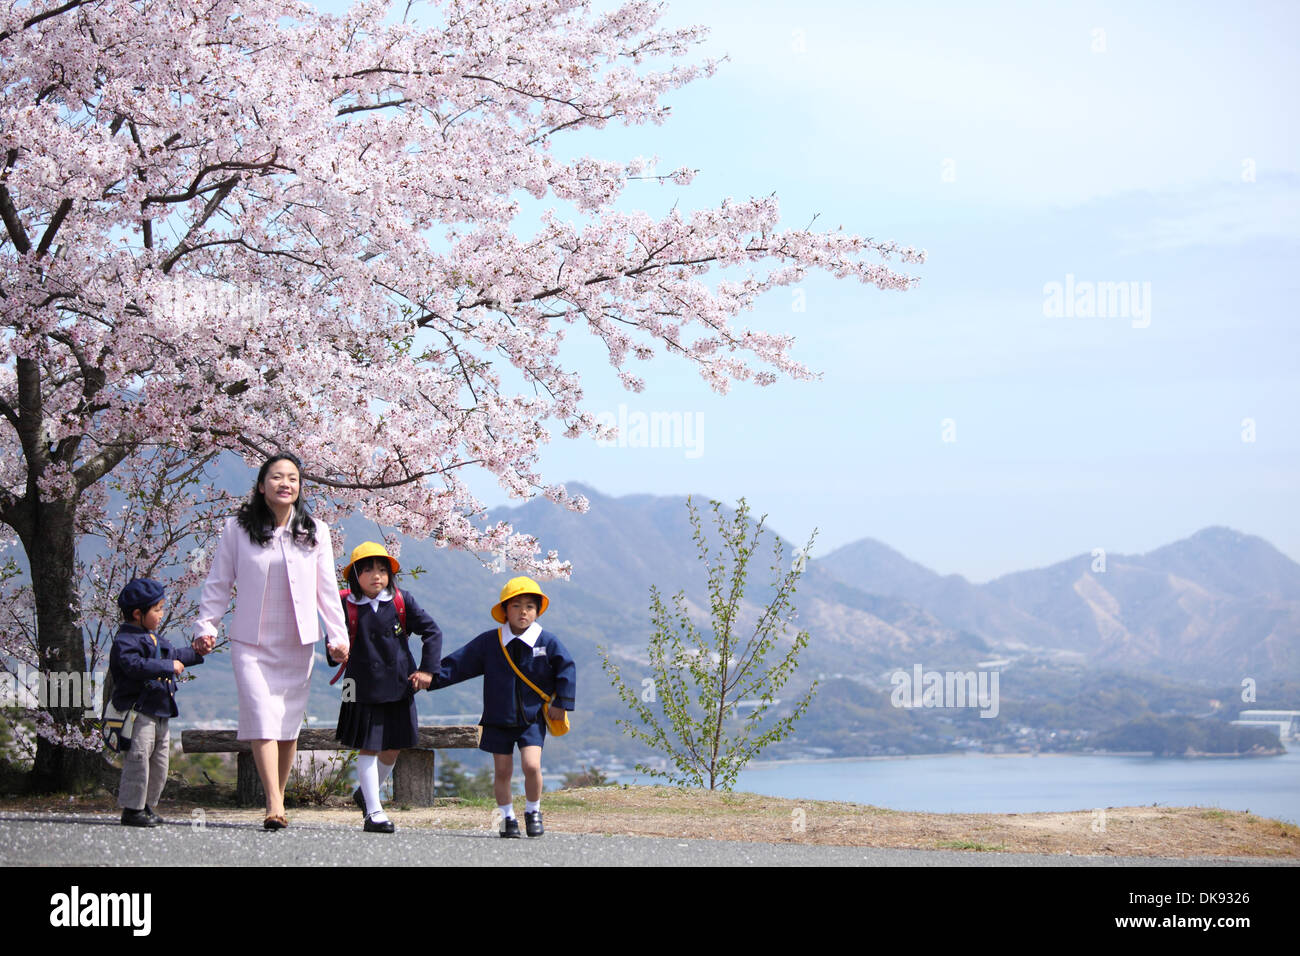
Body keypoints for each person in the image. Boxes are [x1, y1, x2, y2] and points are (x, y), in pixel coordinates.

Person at [193, 452, 350, 829]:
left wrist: (337, 635)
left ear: (299, 488)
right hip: (251, 641)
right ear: (261, 486)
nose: (285, 484)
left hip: (297, 641)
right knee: (262, 717)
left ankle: (277, 804)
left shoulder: (316, 531)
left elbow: (327, 590)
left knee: (286, 725)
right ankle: (274, 802)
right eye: (277, 477)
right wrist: (206, 626)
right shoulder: (237, 528)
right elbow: (219, 582)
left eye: (293, 478)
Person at [432, 576, 575, 838]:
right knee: (502, 770)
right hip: (497, 718)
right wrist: (429, 678)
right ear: (505, 610)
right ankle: (507, 817)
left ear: (537, 611)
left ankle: (533, 811)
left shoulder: (548, 641)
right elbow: (459, 664)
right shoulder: (490, 642)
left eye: (530, 606)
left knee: (532, 766)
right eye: (517, 606)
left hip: (532, 719)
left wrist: (562, 703)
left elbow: (566, 669)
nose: (523, 612)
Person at [329, 541, 442, 833]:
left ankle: (365, 794)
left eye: (382, 570)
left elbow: (432, 631)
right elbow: (332, 642)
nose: (376, 576)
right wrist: (334, 652)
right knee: (367, 746)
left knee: (392, 747)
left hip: (399, 683)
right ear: (355, 575)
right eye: (368, 570)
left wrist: (427, 669)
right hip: (357, 685)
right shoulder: (344, 604)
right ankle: (374, 812)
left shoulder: (402, 601)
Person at [110, 577, 212, 827]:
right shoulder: (125, 642)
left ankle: (147, 805)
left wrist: (198, 652)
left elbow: (175, 655)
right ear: (137, 613)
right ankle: (132, 809)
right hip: (139, 712)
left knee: (159, 762)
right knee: (138, 760)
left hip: (160, 711)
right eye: (157, 610)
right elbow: (134, 666)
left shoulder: (154, 638)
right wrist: (167, 667)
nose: (161, 614)